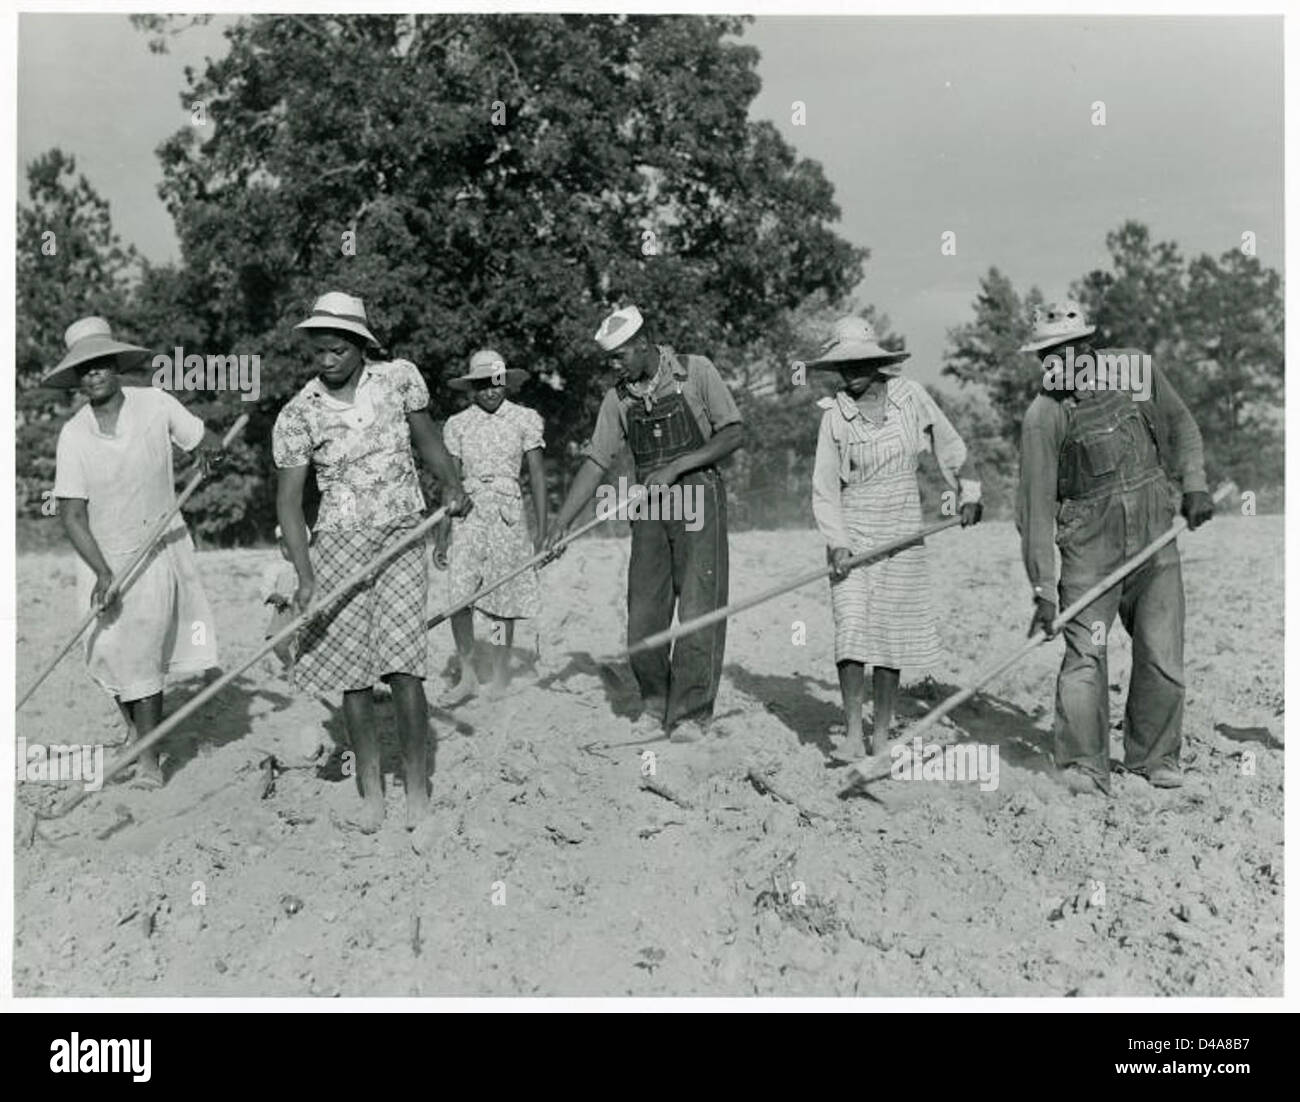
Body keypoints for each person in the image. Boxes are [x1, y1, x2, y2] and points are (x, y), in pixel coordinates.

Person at [273, 291, 471, 833]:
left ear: (362, 346)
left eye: (338, 349)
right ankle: (370, 792)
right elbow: (289, 504)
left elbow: (428, 441)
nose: (327, 358)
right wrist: (306, 575)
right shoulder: (298, 414)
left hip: (403, 533)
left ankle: (417, 789)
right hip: (338, 546)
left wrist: (451, 487)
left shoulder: (400, 379)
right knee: (353, 675)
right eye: (320, 350)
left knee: (404, 664)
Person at [1016, 300, 1214, 796]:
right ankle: (1084, 765)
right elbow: (1035, 510)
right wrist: (1042, 587)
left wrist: (1194, 485)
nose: (1057, 363)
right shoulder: (1044, 415)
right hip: (1088, 546)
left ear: (1088, 345)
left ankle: (1154, 757)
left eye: (1067, 350)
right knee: (1087, 655)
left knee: (1161, 652)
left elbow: (1183, 426)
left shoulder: (1138, 371)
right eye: (1048, 356)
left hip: (1154, 537)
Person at [545, 305, 744, 743]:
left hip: (698, 496)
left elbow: (732, 432)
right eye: (611, 359)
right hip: (648, 507)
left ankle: (691, 714)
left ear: (643, 344)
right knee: (643, 615)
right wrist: (561, 523)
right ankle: (656, 700)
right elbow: (597, 461)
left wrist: (678, 467)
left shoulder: (696, 373)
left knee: (698, 606)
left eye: (620, 356)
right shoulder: (618, 399)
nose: (615, 366)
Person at [50, 316, 227, 789]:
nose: (95, 375)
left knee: (144, 654)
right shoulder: (75, 434)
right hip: (100, 559)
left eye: (101, 364)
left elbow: (205, 442)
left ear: (115, 365)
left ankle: (150, 761)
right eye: (84, 370)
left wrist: (212, 454)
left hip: (154, 548)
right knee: (106, 653)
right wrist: (103, 573)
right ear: (76, 379)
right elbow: (71, 516)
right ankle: (135, 733)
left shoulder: (155, 404)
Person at [808, 316, 982, 761]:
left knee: (889, 635)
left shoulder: (911, 397)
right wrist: (838, 541)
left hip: (904, 529)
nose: (852, 374)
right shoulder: (835, 417)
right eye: (843, 367)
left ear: (877, 361)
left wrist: (968, 492)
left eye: (860, 363)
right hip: (854, 530)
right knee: (851, 629)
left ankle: (881, 734)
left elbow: (950, 444)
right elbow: (825, 487)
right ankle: (851, 733)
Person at [436, 349, 547, 701]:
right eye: (482, 384)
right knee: (460, 596)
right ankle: (468, 674)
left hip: (507, 513)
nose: (490, 391)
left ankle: (500, 672)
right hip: (466, 514)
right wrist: (442, 535)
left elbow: (538, 475)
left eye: (496, 383)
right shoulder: (457, 424)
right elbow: (449, 479)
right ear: (472, 387)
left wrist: (542, 528)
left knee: (502, 600)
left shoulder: (525, 419)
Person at [261, 524, 307, 671]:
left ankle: (305, 665)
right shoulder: (275, 568)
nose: (289, 550)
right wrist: (273, 596)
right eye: (284, 547)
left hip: (305, 611)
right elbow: (266, 587)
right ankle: (289, 664)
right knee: (276, 642)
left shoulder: (308, 565)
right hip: (284, 612)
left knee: (308, 642)